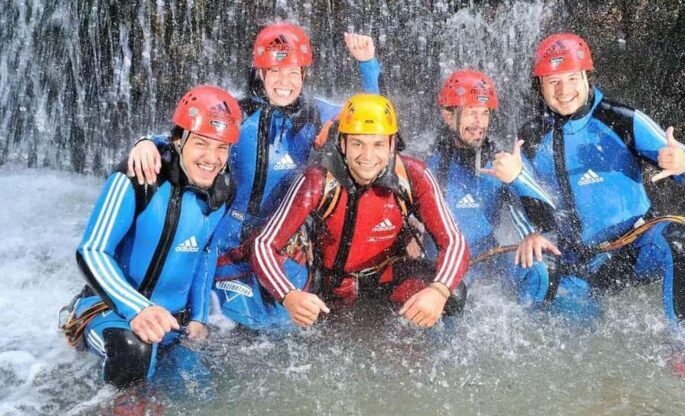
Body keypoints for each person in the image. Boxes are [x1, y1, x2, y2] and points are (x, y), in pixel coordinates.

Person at [484, 33, 685, 377]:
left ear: (587, 78)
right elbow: (524, 202)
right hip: (578, 263)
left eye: (572, 79)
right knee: (570, 324)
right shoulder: (529, 137)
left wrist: (682, 161)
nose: (564, 91)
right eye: (553, 82)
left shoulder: (621, 119)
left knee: (682, 238)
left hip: (635, 250)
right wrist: (523, 202)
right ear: (540, 86)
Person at [126, 23, 381, 329]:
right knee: (242, 326)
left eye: (292, 72)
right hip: (229, 242)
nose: (284, 82)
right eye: (275, 71)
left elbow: (370, 118)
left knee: (286, 327)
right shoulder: (236, 112)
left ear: (304, 75)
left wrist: (367, 65)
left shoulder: (318, 115)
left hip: (283, 240)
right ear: (260, 73)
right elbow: (187, 136)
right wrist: (148, 143)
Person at [60, 86, 243, 388]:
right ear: (178, 139)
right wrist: (138, 309)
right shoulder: (139, 175)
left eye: (221, 147)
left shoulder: (222, 188)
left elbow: (206, 251)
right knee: (135, 352)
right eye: (201, 143)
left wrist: (199, 317)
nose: (212, 158)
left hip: (173, 324)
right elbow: (91, 251)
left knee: (204, 393)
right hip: (111, 314)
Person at [248, 94, 469, 328]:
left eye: (378, 144)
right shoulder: (317, 180)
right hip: (333, 285)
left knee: (453, 295)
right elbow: (264, 244)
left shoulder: (414, 175)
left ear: (392, 144)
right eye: (358, 144)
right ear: (342, 143)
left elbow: (454, 241)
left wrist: (438, 291)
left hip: (389, 277)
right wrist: (289, 296)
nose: (368, 156)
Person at [425, 69, 555, 297]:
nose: (479, 123)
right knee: (453, 298)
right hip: (443, 263)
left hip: (489, 257)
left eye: (484, 113)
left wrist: (531, 232)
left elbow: (544, 215)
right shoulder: (427, 165)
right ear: (448, 115)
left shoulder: (502, 161)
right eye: (471, 113)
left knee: (543, 272)